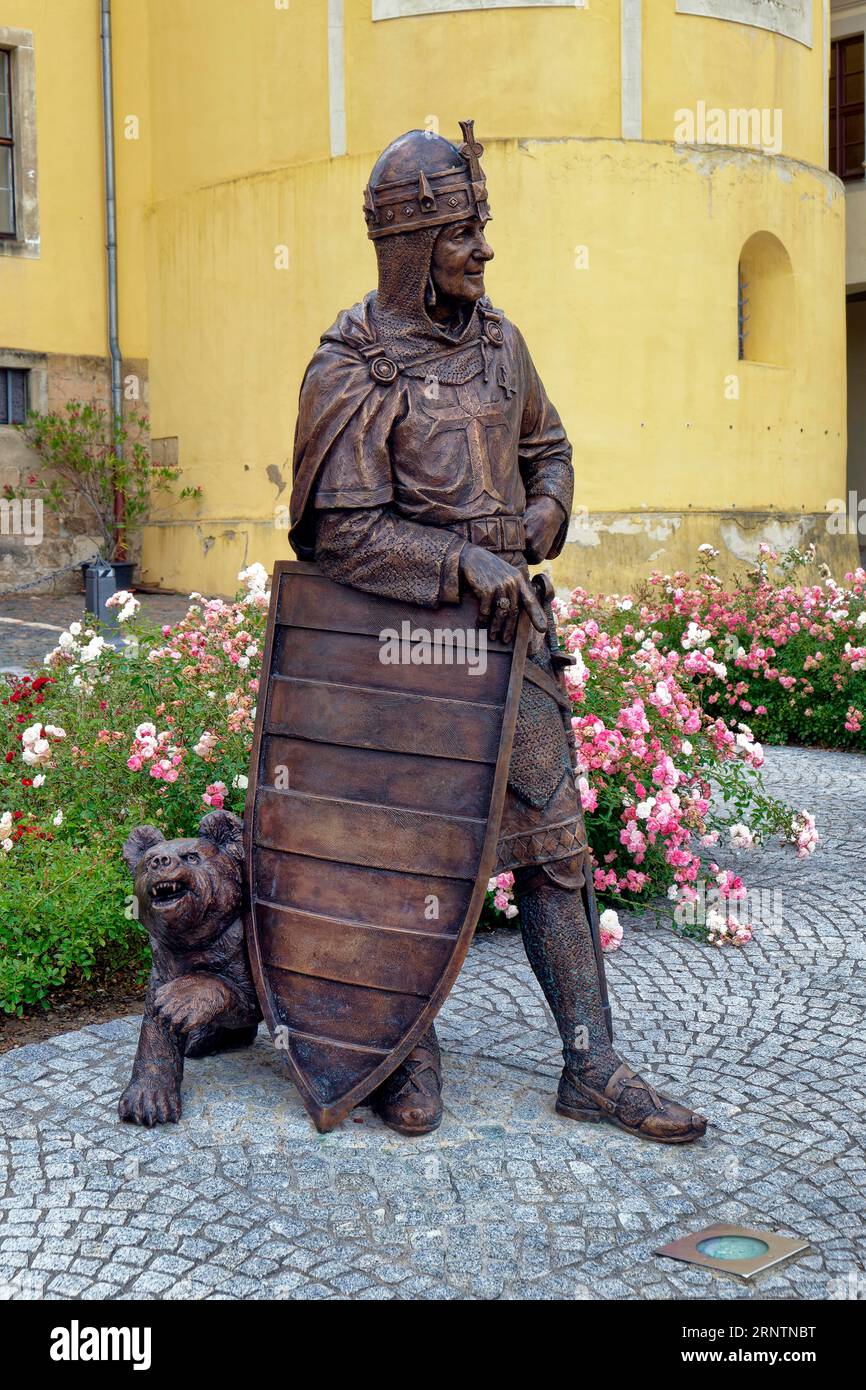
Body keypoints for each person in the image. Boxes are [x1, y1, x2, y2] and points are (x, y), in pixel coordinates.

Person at [288, 123, 707, 1145]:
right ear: (411, 242)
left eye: (482, 230)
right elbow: (338, 530)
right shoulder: (350, 363)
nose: (483, 250)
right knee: (407, 857)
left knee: (555, 849)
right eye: (464, 232)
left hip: (508, 643)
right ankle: (402, 1049)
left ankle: (590, 1065)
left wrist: (540, 519)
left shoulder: (500, 344)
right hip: (401, 655)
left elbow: (548, 449)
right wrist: (457, 563)